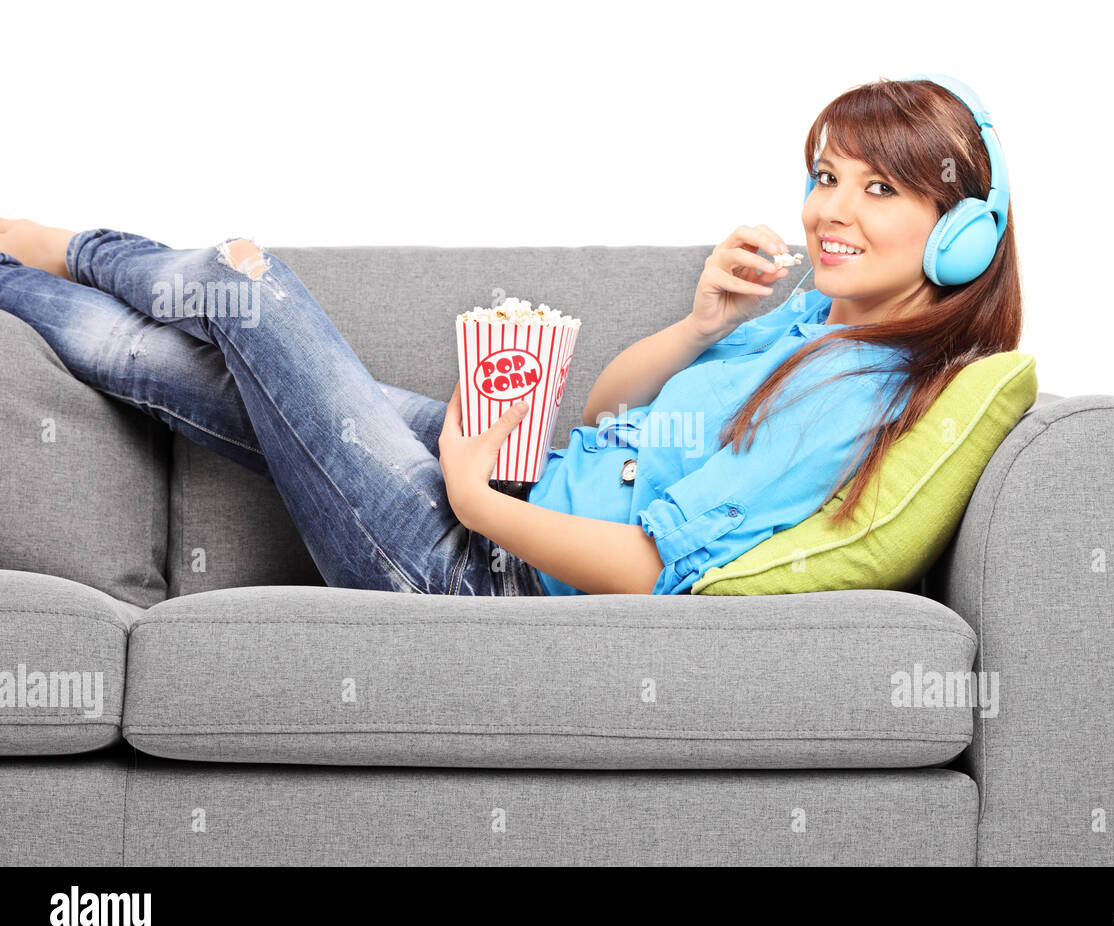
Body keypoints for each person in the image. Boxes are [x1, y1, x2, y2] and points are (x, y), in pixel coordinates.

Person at [0, 75, 1021, 599]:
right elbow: (608, 416)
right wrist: (705, 322)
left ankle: (64, 242)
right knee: (166, 362)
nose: (828, 210)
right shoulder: (809, 320)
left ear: (964, 235)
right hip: (519, 479)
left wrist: (474, 498)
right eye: (825, 175)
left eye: (879, 187)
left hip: (473, 561)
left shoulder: (858, 397)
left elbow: (643, 567)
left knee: (244, 280)